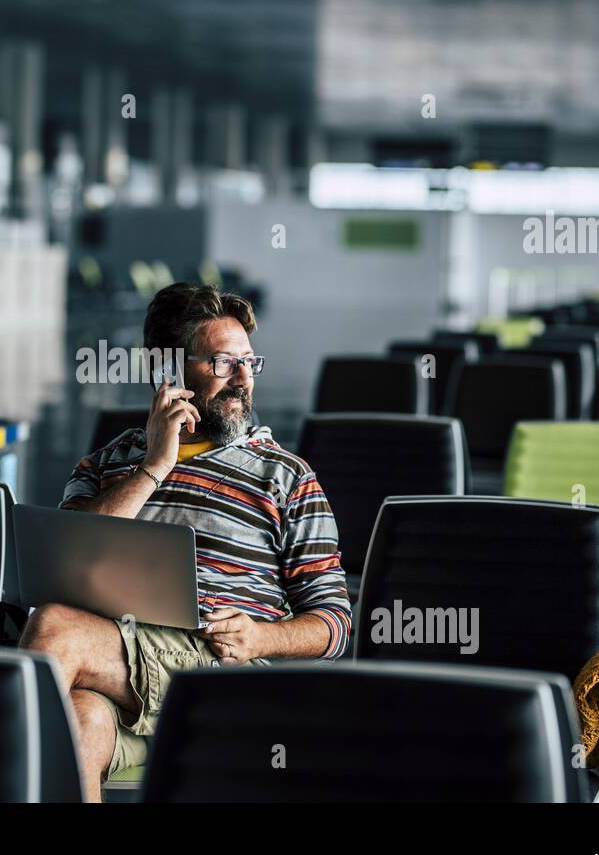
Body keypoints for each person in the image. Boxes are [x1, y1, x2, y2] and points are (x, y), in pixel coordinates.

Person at [20, 282, 353, 801]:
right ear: (169, 372)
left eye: (249, 362)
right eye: (223, 363)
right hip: (120, 667)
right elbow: (66, 562)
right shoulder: (109, 463)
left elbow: (334, 625)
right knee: (81, 719)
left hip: (217, 667)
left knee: (54, 629)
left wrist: (261, 638)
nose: (243, 378)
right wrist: (154, 466)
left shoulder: (286, 477)